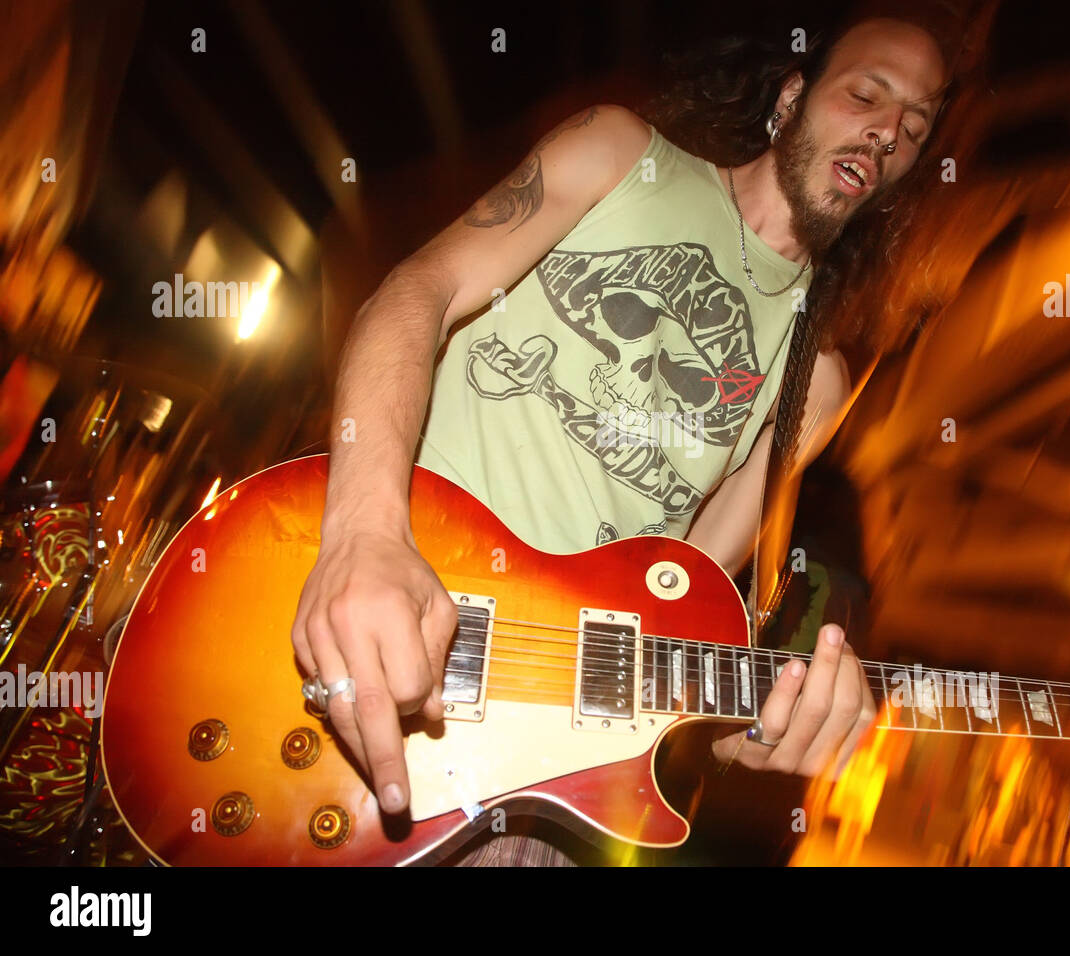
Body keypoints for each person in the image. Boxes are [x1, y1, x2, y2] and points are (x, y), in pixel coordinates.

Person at [291, 5, 962, 865]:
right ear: (792, 96)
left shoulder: (815, 381)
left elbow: (679, 606)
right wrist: (362, 534)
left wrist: (738, 731)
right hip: (379, 607)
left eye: (913, 127)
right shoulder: (620, 155)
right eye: (866, 95)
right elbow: (414, 296)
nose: (885, 134)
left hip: (535, 767)